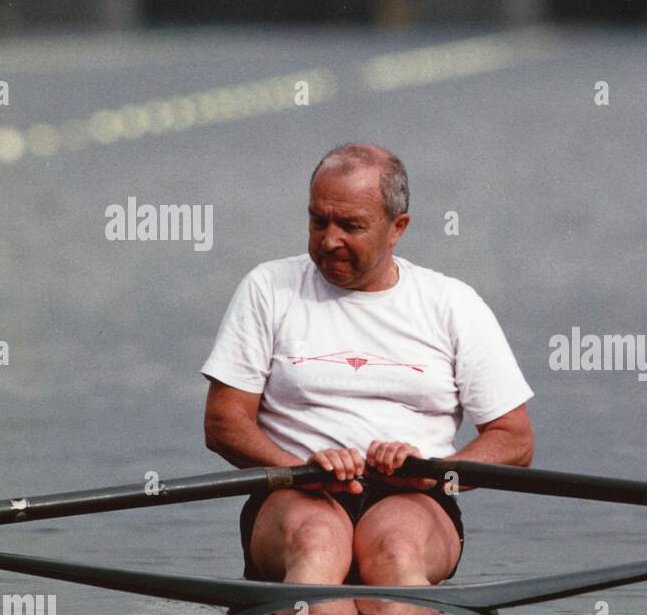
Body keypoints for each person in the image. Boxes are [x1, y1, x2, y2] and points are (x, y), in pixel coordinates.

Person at [201, 143, 533, 588]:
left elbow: (515, 441)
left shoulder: (452, 303)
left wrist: (432, 474)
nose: (329, 240)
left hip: (417, 498)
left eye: (350, 226)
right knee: (317, 544)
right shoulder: (268, 288)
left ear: (398, 228)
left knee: (396, 551)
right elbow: (224, 423)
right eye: (318, 221)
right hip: (294, 493)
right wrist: (299, 470)